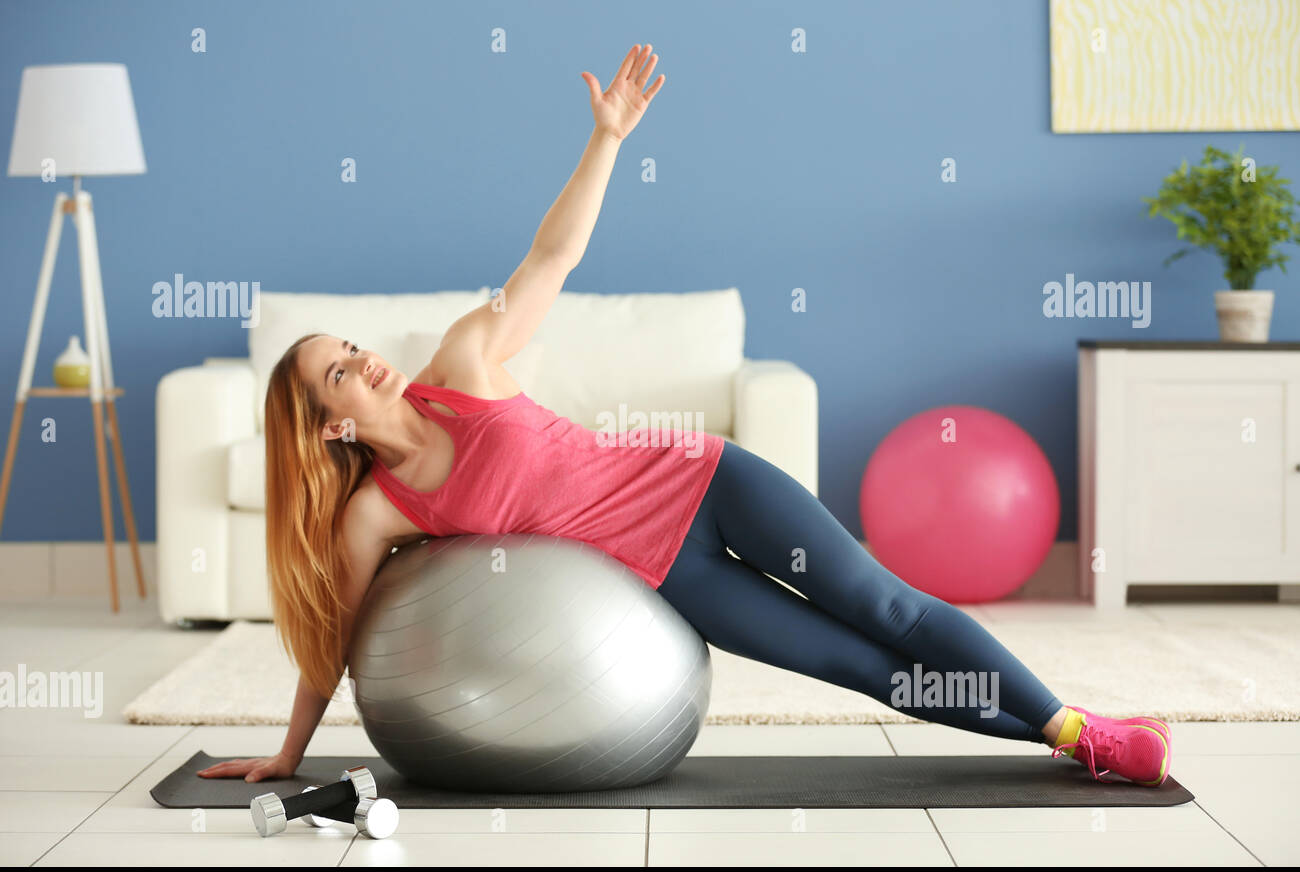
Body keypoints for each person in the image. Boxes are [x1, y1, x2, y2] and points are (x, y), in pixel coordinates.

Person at [199, 43, 1170, 788]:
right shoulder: (377, 512)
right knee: (859, 667)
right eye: (336, 370)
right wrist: (290, 752)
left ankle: (1084, 733)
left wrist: (607, 138)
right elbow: (329, 634)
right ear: (330, 425)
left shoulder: (460, 360)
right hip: (671, 574)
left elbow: (550, 260)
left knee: (884, 607)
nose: (359, 356)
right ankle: (1071, 738)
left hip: (704, 480)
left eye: (346, 344)